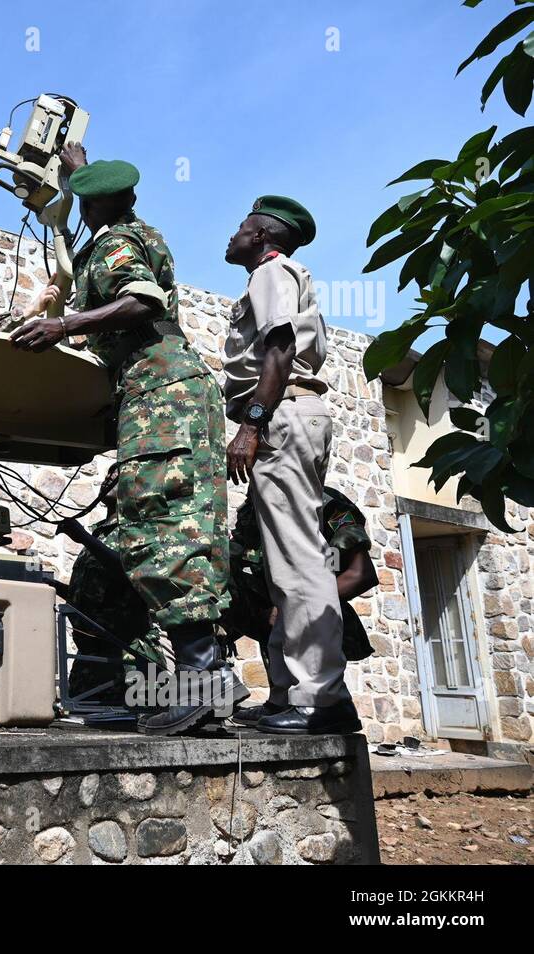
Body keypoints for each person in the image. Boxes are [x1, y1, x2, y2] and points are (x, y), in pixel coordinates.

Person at [11, 145, 241, 735]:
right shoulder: (130, 228)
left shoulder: (116, 241)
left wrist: (63, 325)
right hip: (168, 393)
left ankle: (203, 685)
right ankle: (203, 693)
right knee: (163, 527)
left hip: (163, 395)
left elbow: (141, 300)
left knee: (167, 529)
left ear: (100, 205)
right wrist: (74, 166)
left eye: (84, 200)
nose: (80, 211)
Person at [222, 195, 359, 734]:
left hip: (280, 413)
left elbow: (278, 346)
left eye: (240, 227)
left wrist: (252, 423)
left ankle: (319, 699)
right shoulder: (280, 275)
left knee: (299, 559)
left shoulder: (271, 273)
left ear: (260, 237)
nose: (231, 236)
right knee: (287, 560)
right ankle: (288, 695)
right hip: (295, 414)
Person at [223, 485, 378, 723]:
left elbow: (359, 573)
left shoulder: (321, 503)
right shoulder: (253, 506)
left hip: (317, 616)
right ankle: (279, 702)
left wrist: (295, 605)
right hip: (272, 609)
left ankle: (320, 703)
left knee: (288, 607)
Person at [52, 463, 163, 706]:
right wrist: (50, 585)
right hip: (92, 658)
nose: (109, 478)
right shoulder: (101, 535)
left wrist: (82, 537)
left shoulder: (138, 529)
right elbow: (91, 595)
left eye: (117, 474)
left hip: (127, 658)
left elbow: (127, 572)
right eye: (108, 474)